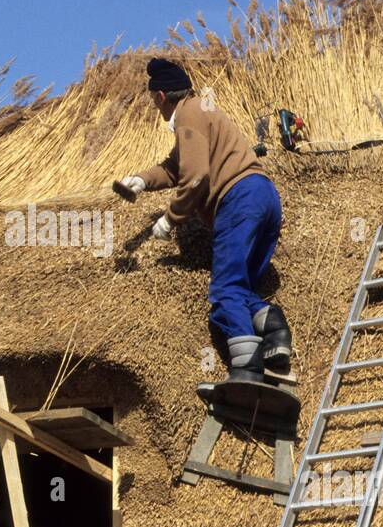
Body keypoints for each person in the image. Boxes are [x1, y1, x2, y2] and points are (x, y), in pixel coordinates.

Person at [119, 58, 292, 383]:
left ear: (159, 97)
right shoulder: (200, 111)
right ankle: (275, 332)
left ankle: (247, 370)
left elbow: (196, 177)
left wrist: (171, 219)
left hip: (238, 201)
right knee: (239, 289)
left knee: (224, 290)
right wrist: (141, 180)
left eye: (152, 101)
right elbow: (176, 167)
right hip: (264, 197)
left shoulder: (188, 113)